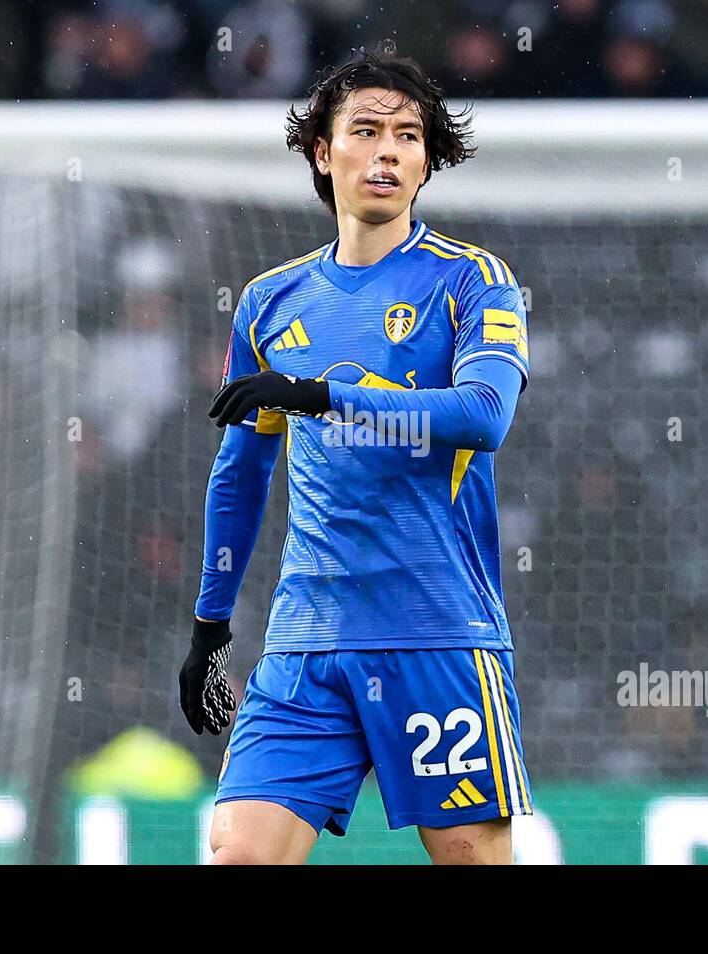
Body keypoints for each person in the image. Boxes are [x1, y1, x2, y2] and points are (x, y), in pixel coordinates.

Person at [181, 50, 532, 864]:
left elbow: (484, 416)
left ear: (427, 161)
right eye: (366, 131)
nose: (387, 152)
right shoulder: (270, 302)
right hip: (305, 642)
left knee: (472, 855)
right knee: (237, 853)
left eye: (408, 136)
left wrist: (323, 396)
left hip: (437, 634)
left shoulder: (475, 282)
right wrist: (210, 625)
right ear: (321, 151)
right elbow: (241, 472)